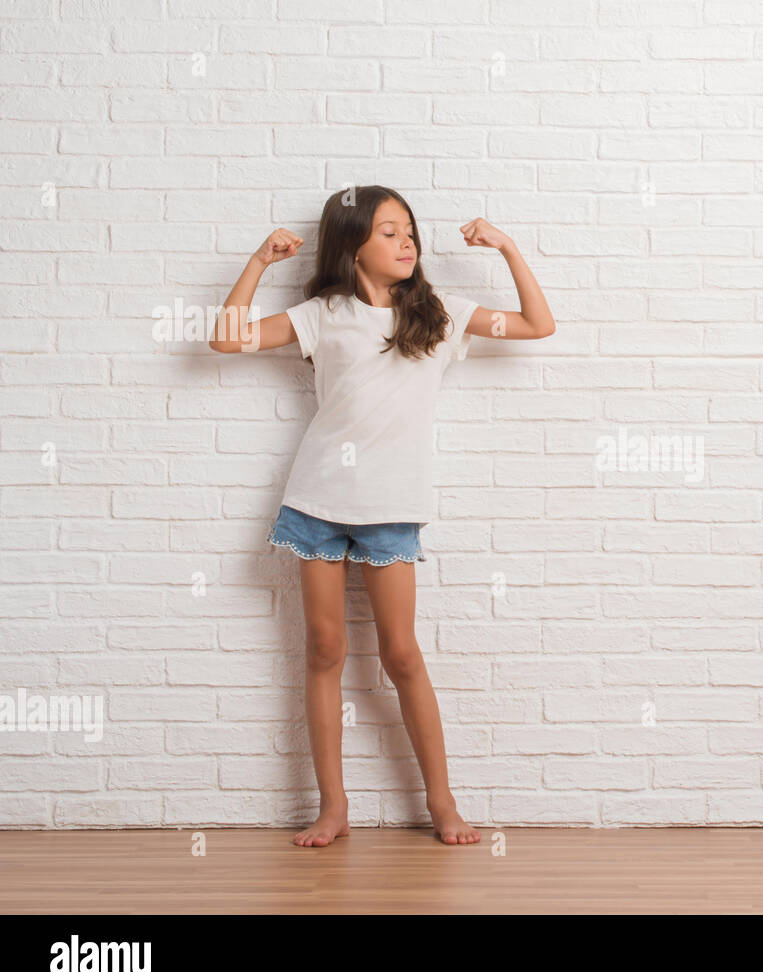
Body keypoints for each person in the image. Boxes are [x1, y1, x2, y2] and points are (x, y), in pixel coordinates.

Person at [208, 186, 555, 846]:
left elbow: (539, 324)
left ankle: (443, 801)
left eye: (409, 232)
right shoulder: (323, 314)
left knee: (401, 655)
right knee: (324, 652)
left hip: (392, 508)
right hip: (317, 503)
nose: (407, 242)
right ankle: (333, 806)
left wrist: (507, 247)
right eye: (389, 231)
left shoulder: (442, 312)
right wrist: (258, 262)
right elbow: (227, 341)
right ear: (353, 246)